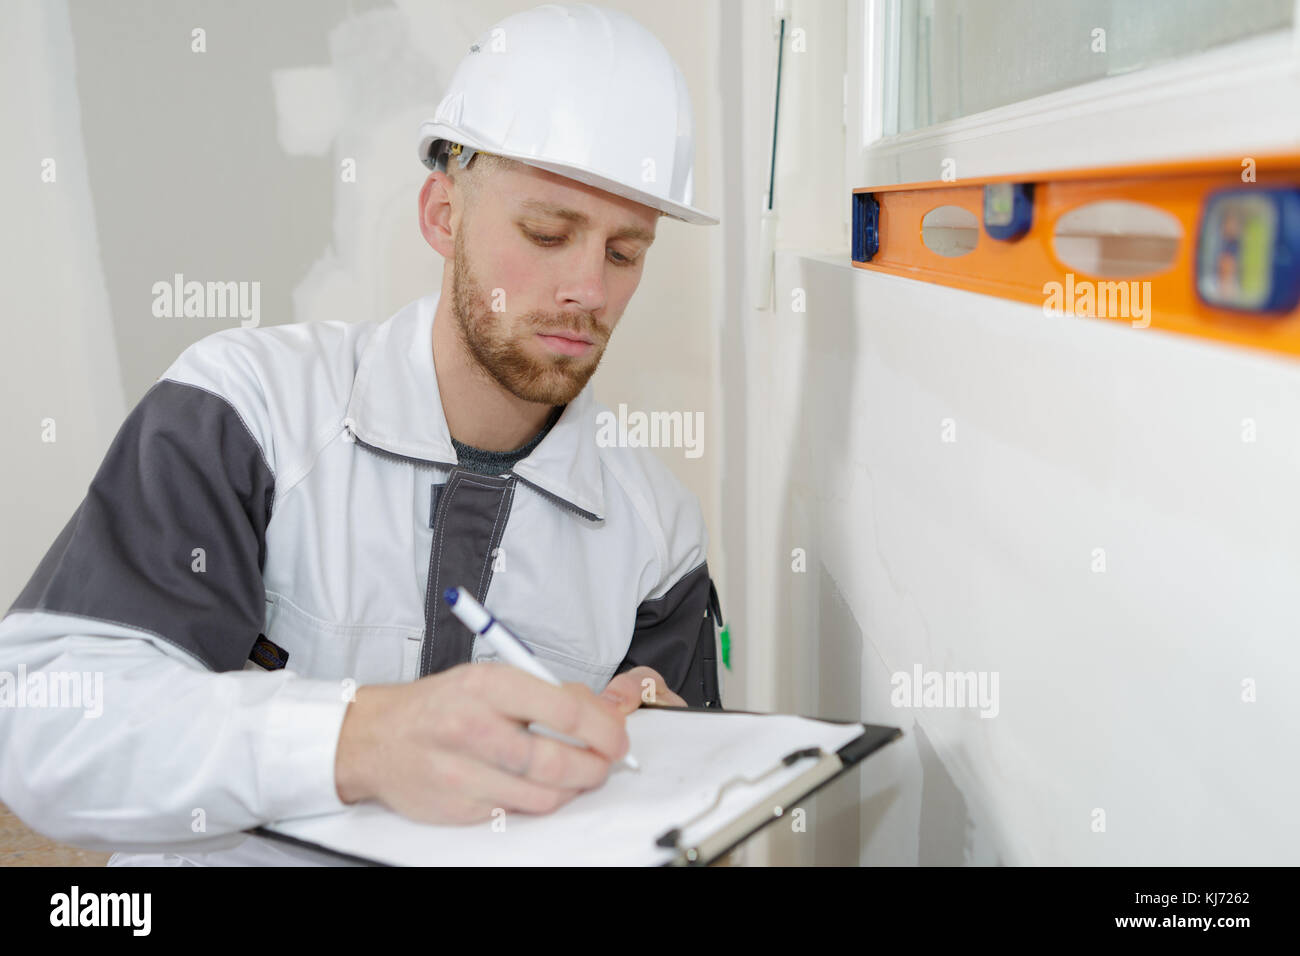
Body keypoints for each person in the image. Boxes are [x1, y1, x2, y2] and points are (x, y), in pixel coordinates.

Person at [0, 2, 723, 866]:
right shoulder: (246, 408)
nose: (587, 290)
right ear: (442, 214)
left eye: (624, 252)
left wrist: (670, 765)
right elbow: (44, 721)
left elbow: (691, 813)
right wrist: (356, 738)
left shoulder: (659, 532)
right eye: (546, 232)